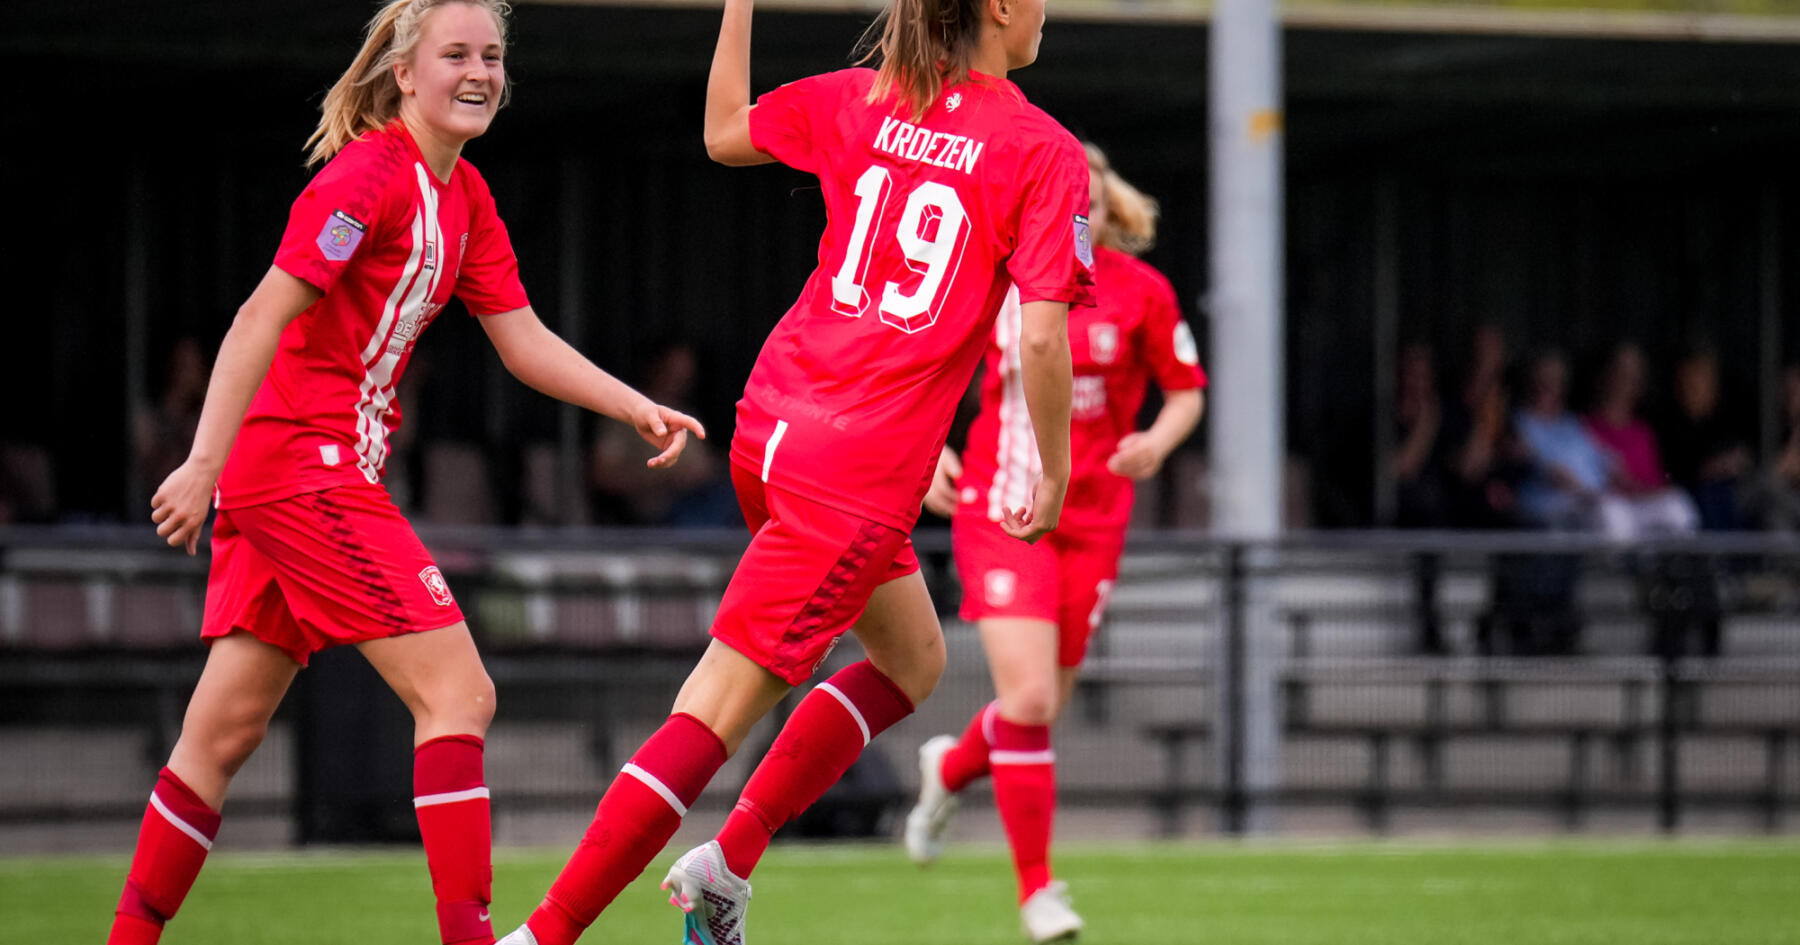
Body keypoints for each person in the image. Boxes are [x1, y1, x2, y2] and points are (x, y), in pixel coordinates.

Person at [497, 0, 1093, 941]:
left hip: (770, 429)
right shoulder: (1042, 147)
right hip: (852, 471)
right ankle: (545, 934)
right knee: (717, 704)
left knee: (913, 660)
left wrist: (739, 5)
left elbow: (724, 133)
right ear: (1003, 9)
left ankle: (726, 866)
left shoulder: (863, 95)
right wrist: (1053, 471)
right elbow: (1048, 341)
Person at [108, 4, 702, 944]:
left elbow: (522, 339)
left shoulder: (464, 196)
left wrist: (631, 403)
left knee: (219, 736)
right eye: (456, 54)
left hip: (308, 468)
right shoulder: (367, 179)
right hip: (304, 464)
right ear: (402, 74)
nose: (479, 71)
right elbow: (258, 317)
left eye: (493, 56)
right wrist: (202, 463)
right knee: (460, 693)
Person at [904, 141, 1204, 941]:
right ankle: (1037, 890)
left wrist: (1160, 442)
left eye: (1094, 197)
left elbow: (1184, 392)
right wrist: (930, 445)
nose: (1082, 207)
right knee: (1032, 701)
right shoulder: (998, 278)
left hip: (1096, 517)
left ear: (1106, 211)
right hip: (1003, 507)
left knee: (1038, 707)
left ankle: (951, 766)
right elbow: (923, 363)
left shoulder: (1144, 292)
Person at [1581, 342, 1698, 539]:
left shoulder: (1643, 431)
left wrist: (1633, 484)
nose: (1627, 381)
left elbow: (1654, 482)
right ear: (1605, 375)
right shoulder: (1584, 427)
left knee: (1677, 505)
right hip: (1606, 507)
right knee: (1613, 514)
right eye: (1621, 373)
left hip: (1639, 503)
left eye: (1634, 375)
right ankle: (1616, 570)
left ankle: (1682, 566)